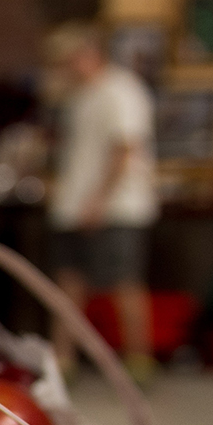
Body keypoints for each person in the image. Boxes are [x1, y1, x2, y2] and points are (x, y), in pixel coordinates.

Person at [46, 23, 158, 382]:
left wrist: (98, 201)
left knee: (124, 282)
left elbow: (124, 149)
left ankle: (139, 362)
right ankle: (62, 361)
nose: (63, 70)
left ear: (87, 54)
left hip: (117, 208)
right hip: (72, 208)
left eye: (66, 61)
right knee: (68, 282)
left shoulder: (121, 90)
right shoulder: (79, 97)